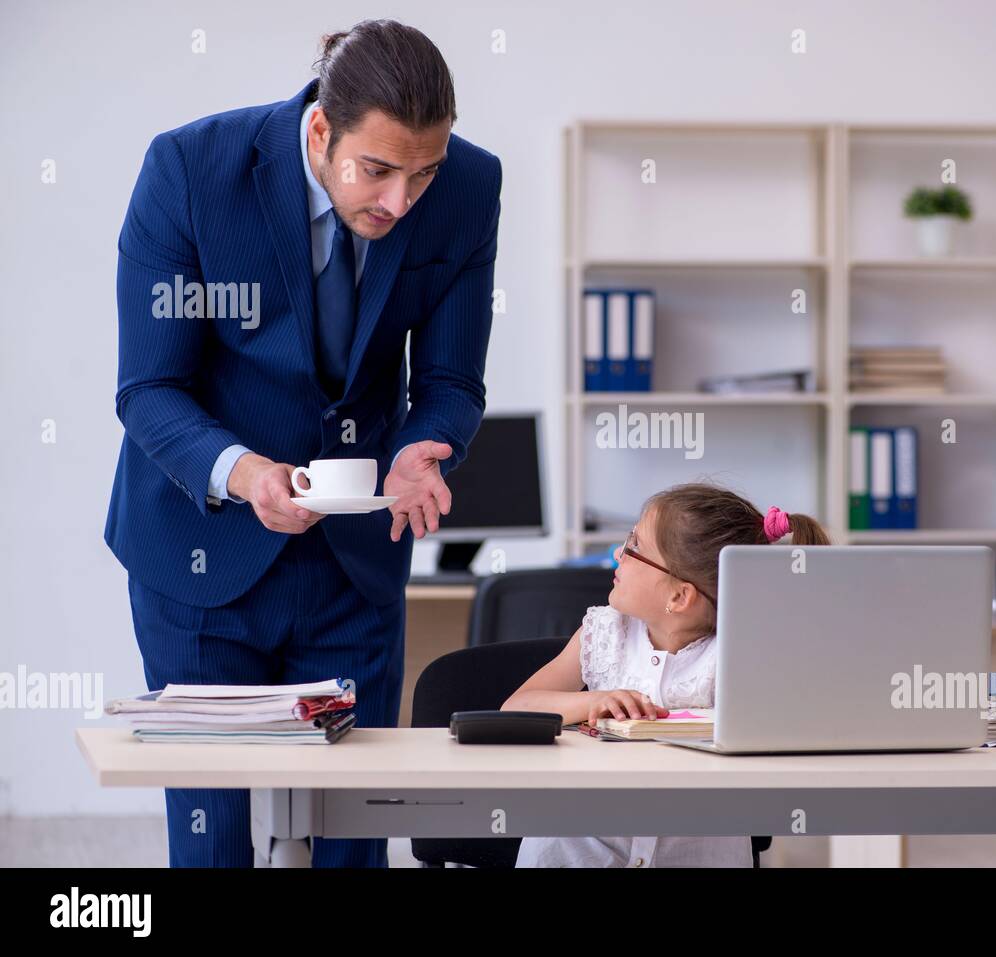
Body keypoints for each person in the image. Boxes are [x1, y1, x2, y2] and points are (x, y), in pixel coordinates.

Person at [103, 19, 502, 866]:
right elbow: (149, 388)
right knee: (212, 840)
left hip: (353, 563)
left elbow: (450, 382)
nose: (401, 202)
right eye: (379, 171)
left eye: (422, 173)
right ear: (320, 130)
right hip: (201, 554)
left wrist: (425, 444)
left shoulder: (467, 189)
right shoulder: (190, 172)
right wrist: (246, 474)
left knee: (352, 833)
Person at [504, 482, 831, 867]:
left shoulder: (737, 655)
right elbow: (517, 707)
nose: (617, 553)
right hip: (576, 851)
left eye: (635, 546)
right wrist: (591, 701)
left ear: (679, 597)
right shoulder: (603, 633)